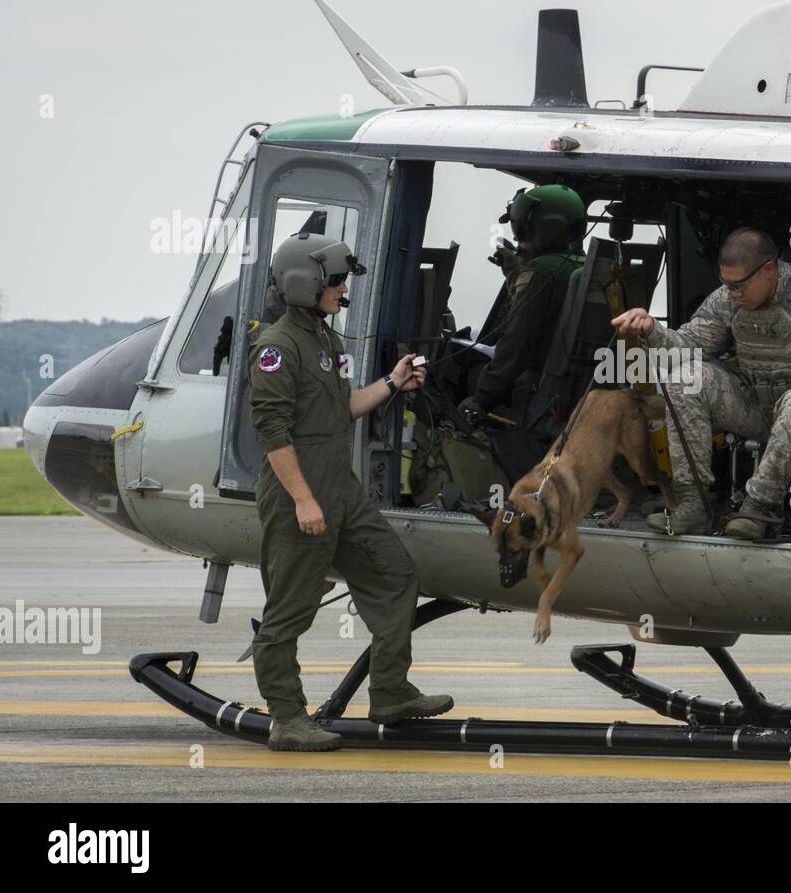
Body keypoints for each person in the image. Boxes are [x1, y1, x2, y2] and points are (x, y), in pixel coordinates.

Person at [248, 232, 453, 751]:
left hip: (340, 488)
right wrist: (303, 500)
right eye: (336, 282)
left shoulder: (327, 341)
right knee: (289, 611)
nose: (343, 290)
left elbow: (342, 408)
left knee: (395, 574)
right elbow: (273, 432)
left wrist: (393, 383)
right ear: (306, 283)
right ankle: (287, 719)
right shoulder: (276, 347)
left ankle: (390, 692)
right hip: (299, 491)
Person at [611, 227, 791, 539]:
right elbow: (688, 346)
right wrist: (651, 329)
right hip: (765, 407)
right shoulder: (728, 299)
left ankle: (758, 508)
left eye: (740, 285)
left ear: (769, 269)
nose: (734, 293)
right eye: (727, 285)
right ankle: (694, 505)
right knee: (684, 379)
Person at [459, 183, 587, 422]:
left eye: (523, 229)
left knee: (468, 373)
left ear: (544, 228)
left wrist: (481, 399)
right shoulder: (588, 269)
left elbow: (516, 342)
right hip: (578, 391)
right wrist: (514, 272)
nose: (519, 238)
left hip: (540, 391)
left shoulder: (541, 271)